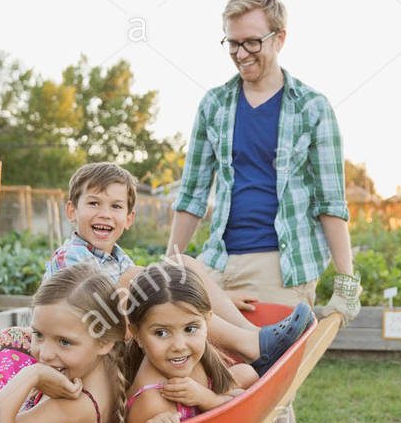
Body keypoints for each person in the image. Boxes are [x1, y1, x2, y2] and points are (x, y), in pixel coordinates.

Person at [154, 0, 362, 423]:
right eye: (232, 43)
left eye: (252, 42)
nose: (241, 54)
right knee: (183, 367)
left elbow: (330, 199)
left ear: (280, 38)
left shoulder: (311, 108)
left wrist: (345, 277)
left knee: (272, 390)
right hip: (220, 262)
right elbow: (194, 190)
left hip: (282, 264)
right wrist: (175, 263)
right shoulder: (215, 106)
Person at [44, 162, 313, 382]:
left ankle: (256, 337)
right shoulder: (71, 255)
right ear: (71, 211)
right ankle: (255, 346)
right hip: (92, 346)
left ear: (128, 219)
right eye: (93, 203)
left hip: (119, 338)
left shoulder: (118, 258)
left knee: (180, 263)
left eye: (115, 206)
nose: (104, 213)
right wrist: (142, 282)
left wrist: (215, 298)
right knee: (153, 278)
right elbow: (94, 314)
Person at [0, 264, 126, 423]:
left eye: (65, 341)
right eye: (39, 334)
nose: (44, 355)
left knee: (6, 339)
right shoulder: (112, 355)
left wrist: (32, 375)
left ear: (104, 343)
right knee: (13, 336)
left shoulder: (70, 408)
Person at [123, 266, 258, 423]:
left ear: (207, 322)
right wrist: (214, 401)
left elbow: (249, 385)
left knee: (247, 373)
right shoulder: (153, 403)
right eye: (161, 333)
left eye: (190, 329)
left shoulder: (192, 359)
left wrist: (208, 399)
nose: (179, 345)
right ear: (137, 334)